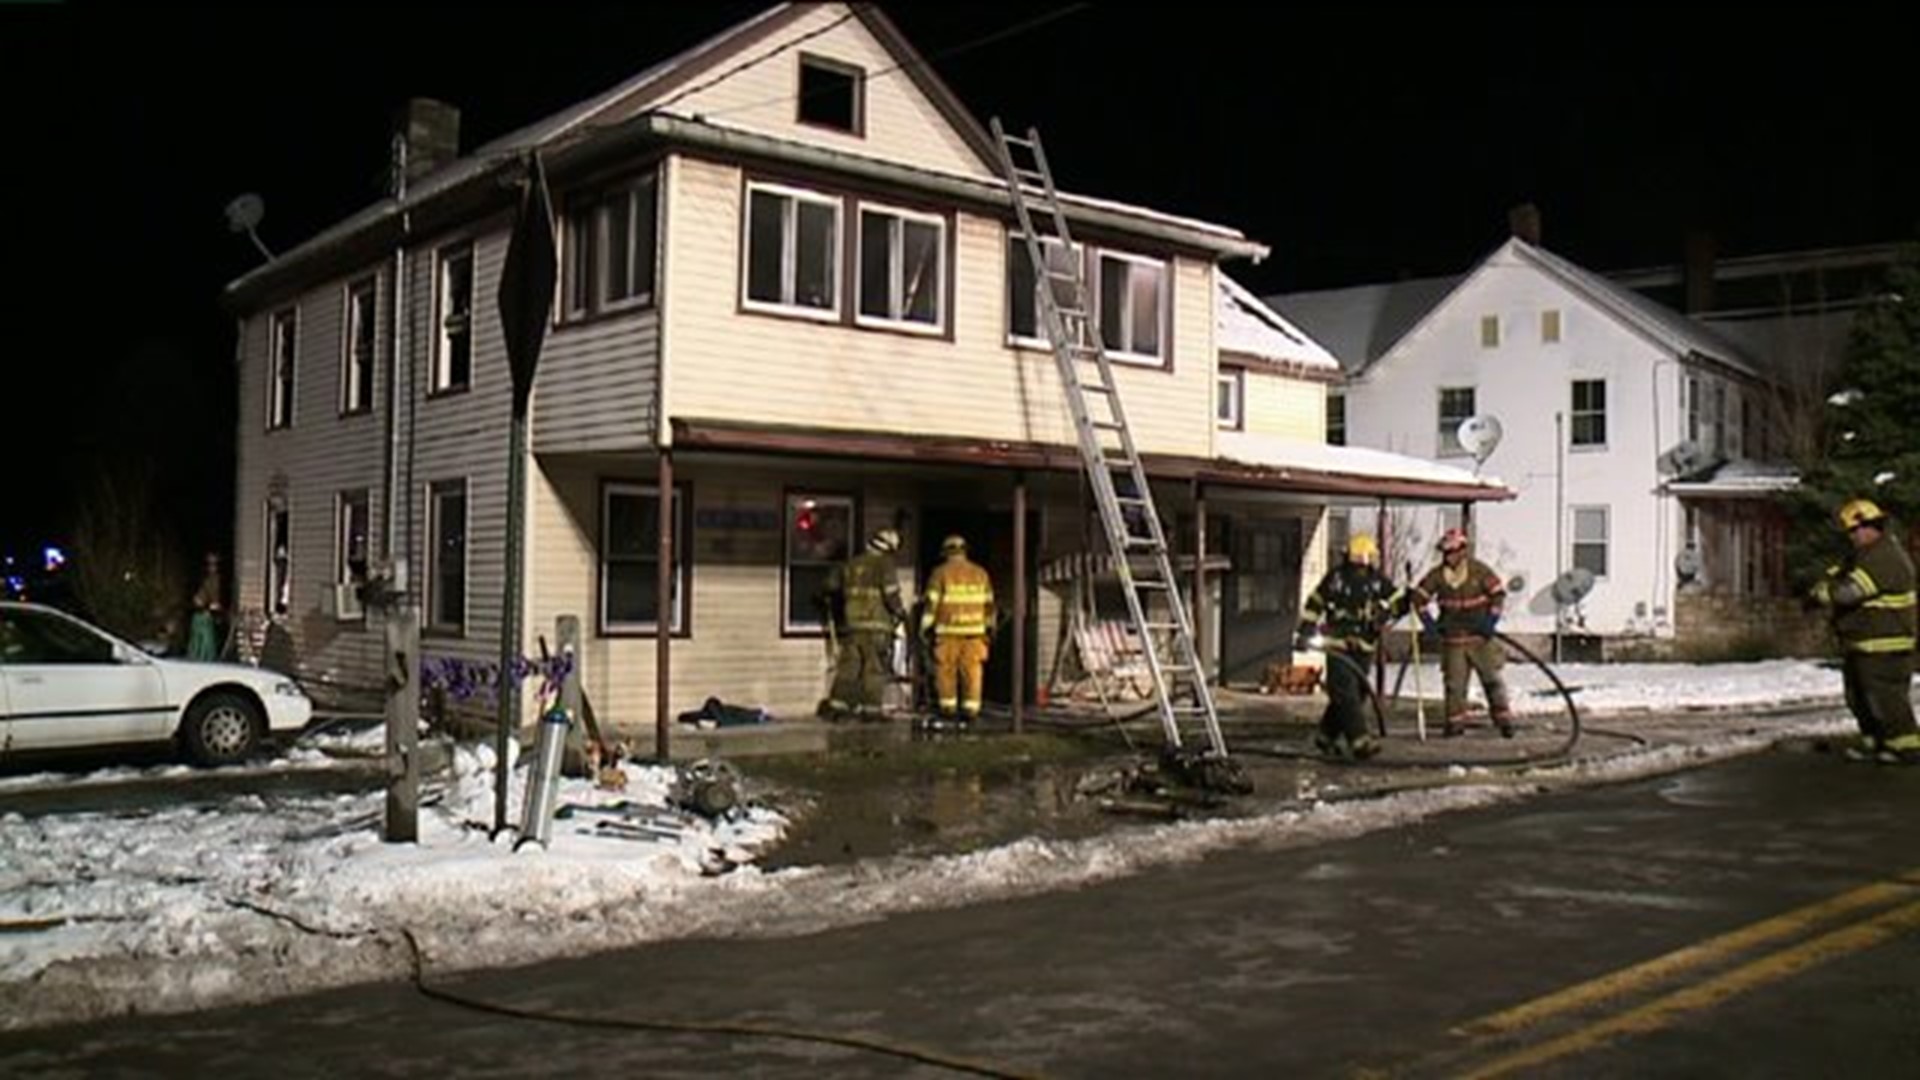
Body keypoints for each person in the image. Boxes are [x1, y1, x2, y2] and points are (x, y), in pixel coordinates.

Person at [1808, 498, 1920, 765]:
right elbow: (1839, 574)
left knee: (1887, 700)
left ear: (1872, 527)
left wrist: (1822, 593)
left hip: (1885, 645)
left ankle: (1906, 748)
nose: (1854, 536)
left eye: (1857, 530)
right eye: (1851, 532)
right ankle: (1876, 742)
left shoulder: (1885, 557)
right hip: (1864, 643)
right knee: (1860, 697)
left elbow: (1850, 592)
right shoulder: (1865, 555)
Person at [1295, 533, 1406, 761]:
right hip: (1337, 645)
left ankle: (1325, 736)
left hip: (1363, 646)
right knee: (1345, 691)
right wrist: (1306, 630)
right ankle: (1359, 740)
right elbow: (1315, 603)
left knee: (1356, 693)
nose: (1362, 567)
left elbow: (1398, 600)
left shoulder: (1376, 581)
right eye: (1360, 561)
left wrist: (1386, 613)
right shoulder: (1335, 579)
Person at [1409, 527, 1513, 737]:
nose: (1449, 557)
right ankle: (1454, 724)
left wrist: (1491, 620)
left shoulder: (1479, 571)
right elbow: (1418, 598)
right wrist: (1428, 623)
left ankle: (1504, 720)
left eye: (1452, 552)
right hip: (1453, 639)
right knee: (1454, 685)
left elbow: (1498, 594)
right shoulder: (1437, 576)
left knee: (1492, 679)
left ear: (1463, 550)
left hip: (1480, 638)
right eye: (1446, 553)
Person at [816, 527, 909, 722]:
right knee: (873, 669)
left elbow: (830, 586)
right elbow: (891, 594)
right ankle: (871, 709)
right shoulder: (884, 564)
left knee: (849, 666)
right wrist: (901, 613)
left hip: (853, 625)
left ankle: (839, 706)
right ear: (889, 548)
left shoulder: (851, 564)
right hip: (877, 626)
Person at [921, 534, 996, 728]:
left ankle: (948, 710)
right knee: (972, 672)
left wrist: (924, 627)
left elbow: (931, 604)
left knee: (946, 671)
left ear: (946, 552)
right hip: (975, 634)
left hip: (947, 633)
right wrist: (989, 629)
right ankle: (971, 711)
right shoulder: (981, 573)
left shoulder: (940, 573)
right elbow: (989, 606)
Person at [188, 551, 225, 661]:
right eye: (209, 564)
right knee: (198, 644)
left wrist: (213, 606)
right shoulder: (204, 580)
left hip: (206, 615)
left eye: (214, 565)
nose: (211, 567)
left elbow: (215, 601)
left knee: (206, 645)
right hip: (200, 615)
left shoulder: (216, 580)